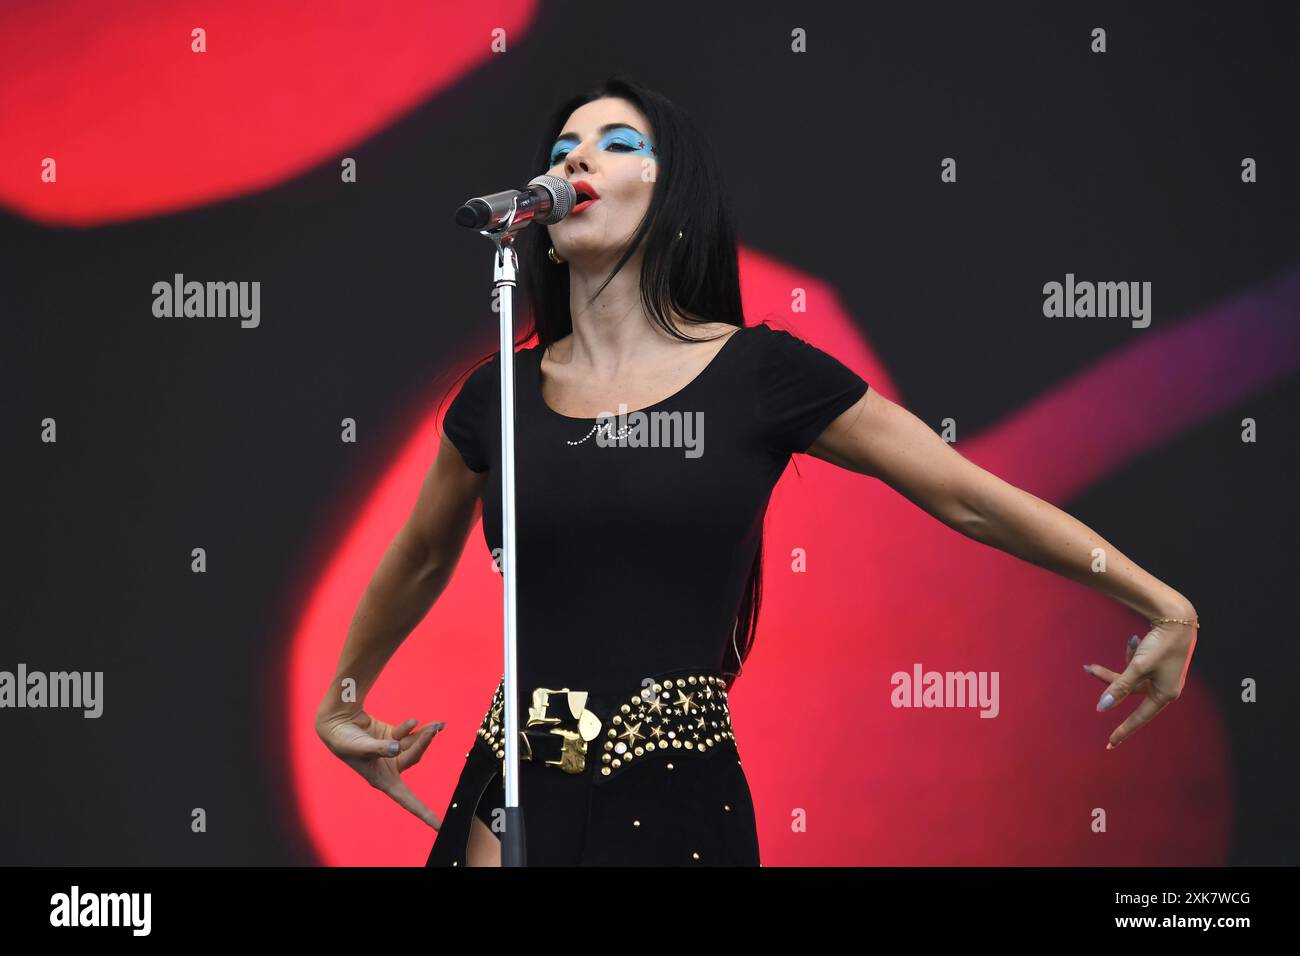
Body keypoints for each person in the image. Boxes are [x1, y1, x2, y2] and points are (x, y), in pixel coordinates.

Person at [314, 76, 1199, 867]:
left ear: (675, 197)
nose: (578, 159)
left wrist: (1161, 601)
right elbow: (424, 555)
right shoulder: (497, 396)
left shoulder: (762, 375)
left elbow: (967, 498)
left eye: (618, 144)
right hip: (514, 787)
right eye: (562, 151)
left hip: (675, 798)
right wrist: (346, 698)